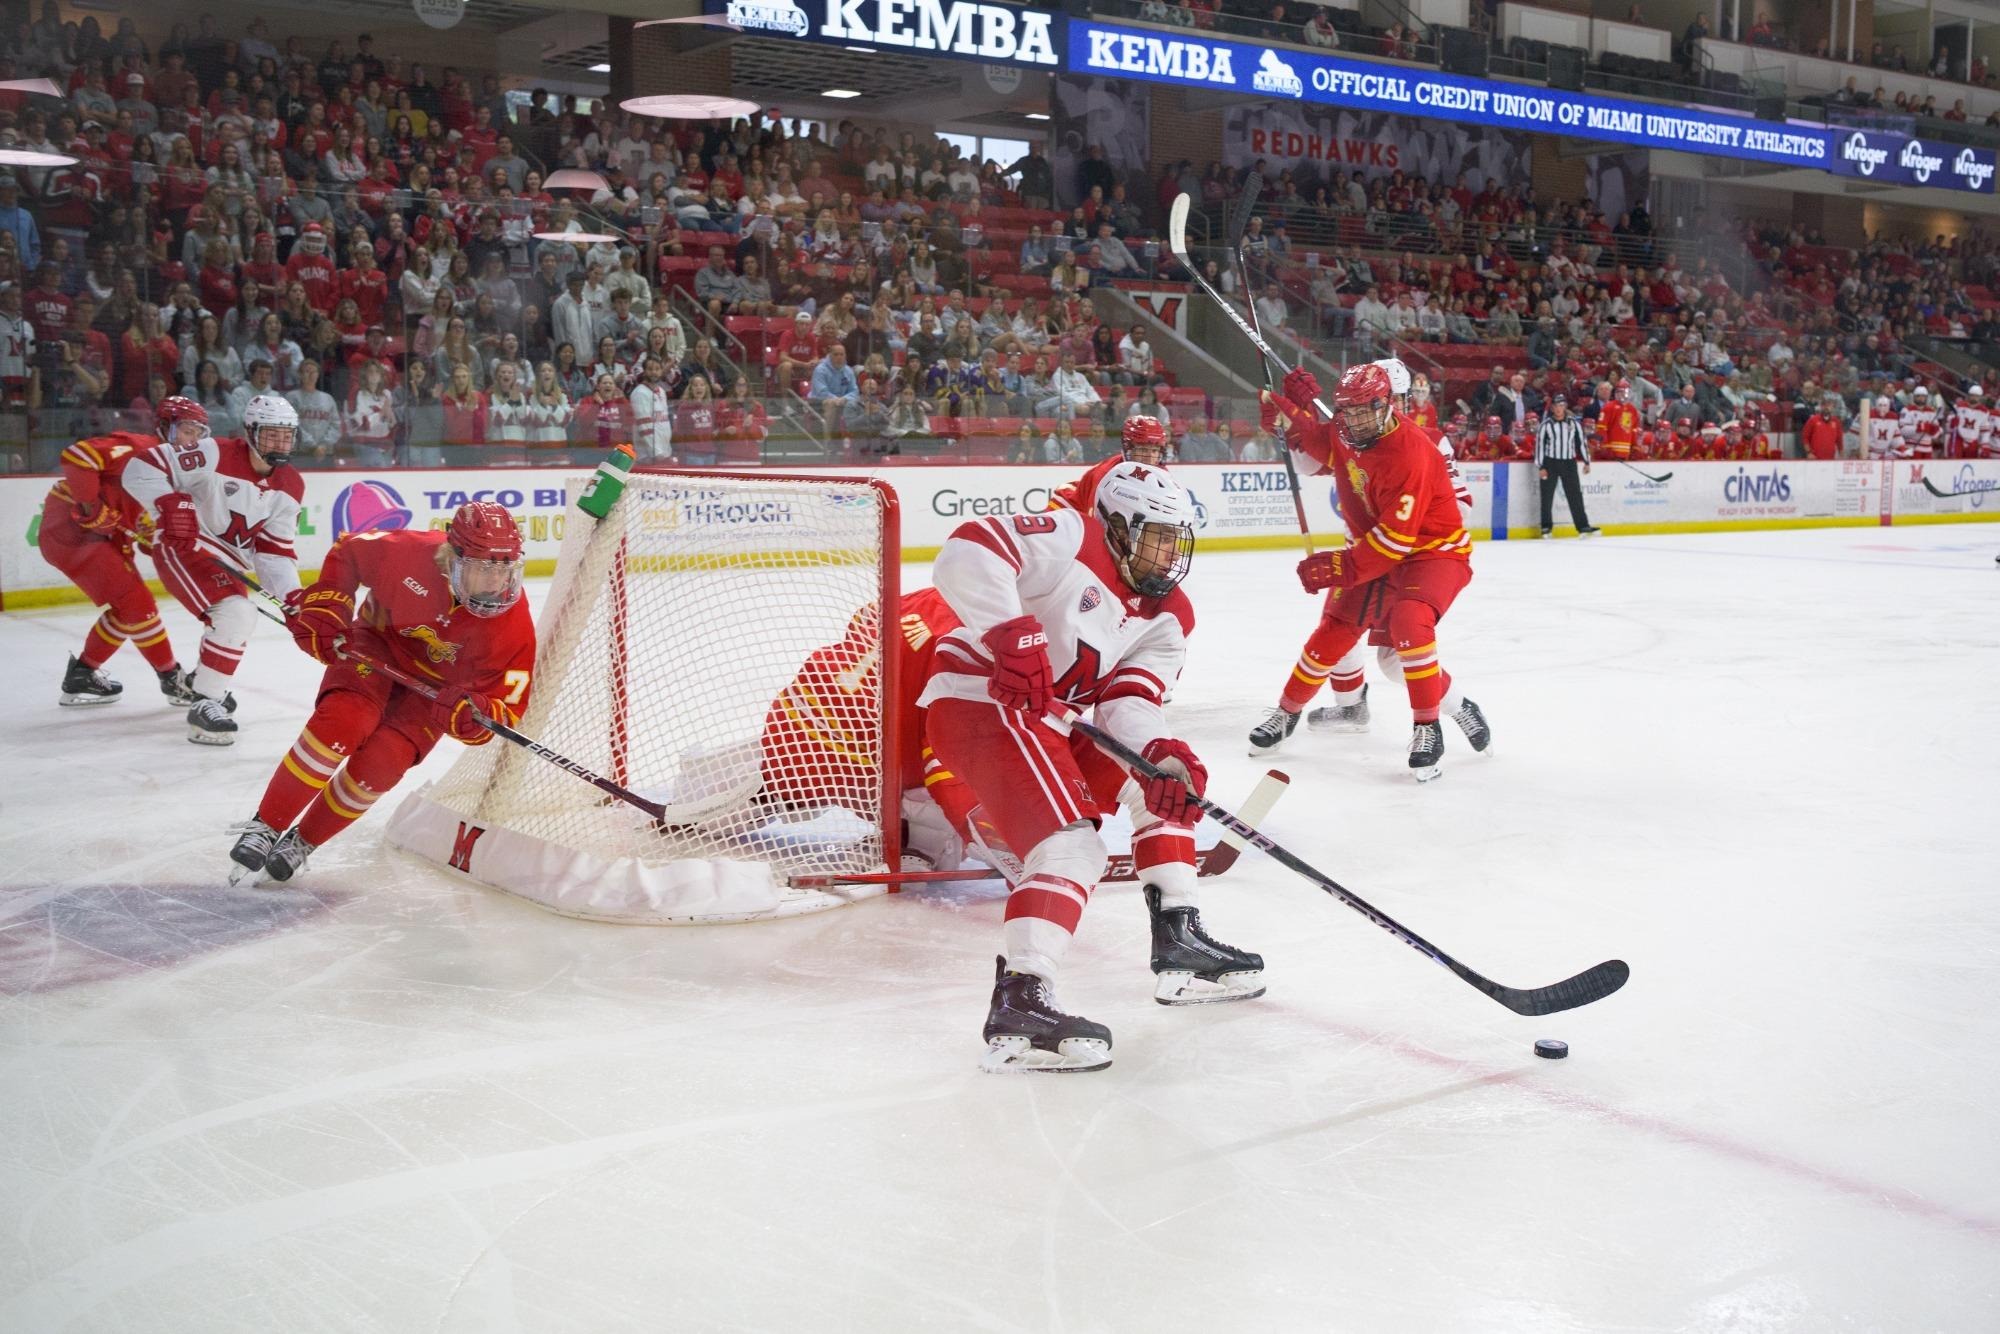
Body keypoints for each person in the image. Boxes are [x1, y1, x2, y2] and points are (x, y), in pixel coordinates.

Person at [921, 461, 1260, 1073]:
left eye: (1178, 539)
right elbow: (966, 551)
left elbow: (1130, 699)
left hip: (1052, 720)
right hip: (981, 701)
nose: (1171, 554)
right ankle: (1021, 1002)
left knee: (1160, 787)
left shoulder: (1170, 614)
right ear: (1120, 527)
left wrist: (1158, 755)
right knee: (1073, 849)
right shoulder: (1072, 536)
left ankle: (1179, 936)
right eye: (1158, 536)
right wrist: (1010, 634)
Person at [228, 502, 536, 884]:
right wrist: (329, 604)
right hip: (375, 648)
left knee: (384, 762)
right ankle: (266, 825)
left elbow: (506, 707)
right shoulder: (407, 552)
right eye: (484, 568)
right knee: (345, 720)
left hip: (435, 692)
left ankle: (304, 841)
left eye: (505, 568)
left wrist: (472, 715)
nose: (496, 581)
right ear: (454, 558)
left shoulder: (514, 624)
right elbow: (348, 550)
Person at [1249, 365, 1489, 780]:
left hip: (1430, 552)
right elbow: (1315, 446)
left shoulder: (1414, 450)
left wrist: (1340, 565)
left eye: (1365, 410)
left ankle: (1429, 728)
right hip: (1375, 548)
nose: (1356, 420)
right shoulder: (1347, 430)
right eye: (1349, 411)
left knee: (1408, 624)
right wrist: (1287, 414)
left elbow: (1397, 540)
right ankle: (1287, 712)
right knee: (1336, 627)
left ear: (1391, 403)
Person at [122, 393, 303, 744]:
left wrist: (293, 599)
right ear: (250, 432)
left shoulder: (292, 485)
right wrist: (169, 503)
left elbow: (273, 553)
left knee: (237, 617)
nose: (280, 443)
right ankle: (206, 703)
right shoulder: (214, 452)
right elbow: (140, 468)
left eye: (287, 435)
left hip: (227, 564)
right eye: (271, 434)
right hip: (186, 548)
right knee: (237, 614)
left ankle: (204, 683)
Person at [36, 401, 203, 709]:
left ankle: (82, 674)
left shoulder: (171, 471)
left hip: (102, 537)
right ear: (166, 428)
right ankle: (171, 678)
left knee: (128, 610)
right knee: (138, 604)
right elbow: (77, 456)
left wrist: (158, 538)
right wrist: (92, 507)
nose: (193, 440)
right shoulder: (141, 449)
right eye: (187, 431)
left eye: (198, 434)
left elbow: (144, 526)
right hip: (73, 530)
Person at [1051, 414, 1168, 514]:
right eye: (1143, 450)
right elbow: (1095, 522)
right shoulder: (1106, 474)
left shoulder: (1163, 475)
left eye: (1154, 451)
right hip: (1070, 509)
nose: (1149, 458)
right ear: (1128, 449)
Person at [1535, 394, 1599, 538]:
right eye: (1556, 406)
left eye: (1561, 405)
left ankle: (1583, 526)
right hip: (1550, 463)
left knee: (1575, 495)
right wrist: (1541, 466)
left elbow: (1581, 442)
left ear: (1565, 407)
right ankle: (1546, 527)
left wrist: (1586, 461)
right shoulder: (1545, 425)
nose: (1559, 409)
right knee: (1547, 496)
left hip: (1569, 463)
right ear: (1552, 408)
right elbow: (1539, 446)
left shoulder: (1574, 423)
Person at [1598, 378, 1640, 461]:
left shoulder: (1633, 410)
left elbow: (1634, 430)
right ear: (1615, 393)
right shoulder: (1608, 407)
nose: (1622, 394)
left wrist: (1635, 447)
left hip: (1626, 453)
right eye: (1619, 391)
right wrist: (1606, 446)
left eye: (1625, 392)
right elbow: (1601, 428)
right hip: (1611, 452)